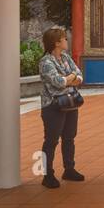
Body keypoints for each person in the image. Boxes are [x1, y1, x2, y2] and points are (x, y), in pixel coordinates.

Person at [38, 26, 85, 189]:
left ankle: (69, 169)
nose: (66, 40)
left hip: (70, 102)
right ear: (56, 43)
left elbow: (79, 75)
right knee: (51, 141)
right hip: (53, 106)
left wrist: (69, 79)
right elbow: (58, 82)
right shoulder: (46, 62)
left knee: (69, 137)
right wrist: (70, 78)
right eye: (64, 38)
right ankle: (47, 175)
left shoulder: (65, 57)